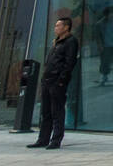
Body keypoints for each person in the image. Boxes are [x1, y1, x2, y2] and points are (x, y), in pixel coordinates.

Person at [27, 16, 80, 150]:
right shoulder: (56, 41)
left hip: (57, 82)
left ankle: (56, 140)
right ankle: (43, 139)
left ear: (66, 27)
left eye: (58, 26)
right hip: (47, 80)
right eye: (55, 26)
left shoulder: (71, 41)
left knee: (57, 111)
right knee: (46, 112)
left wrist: (61, 80)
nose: (55, 28)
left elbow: (70, 63)